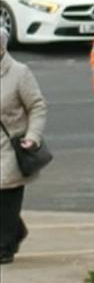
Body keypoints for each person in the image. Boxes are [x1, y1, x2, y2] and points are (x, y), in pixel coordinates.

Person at [0, 27, 48, 264]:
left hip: (11, 146)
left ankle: (5, 248)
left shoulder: (20, 73)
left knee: (6, 197)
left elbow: (37, 107)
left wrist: (33, 136)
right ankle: (16, 230)